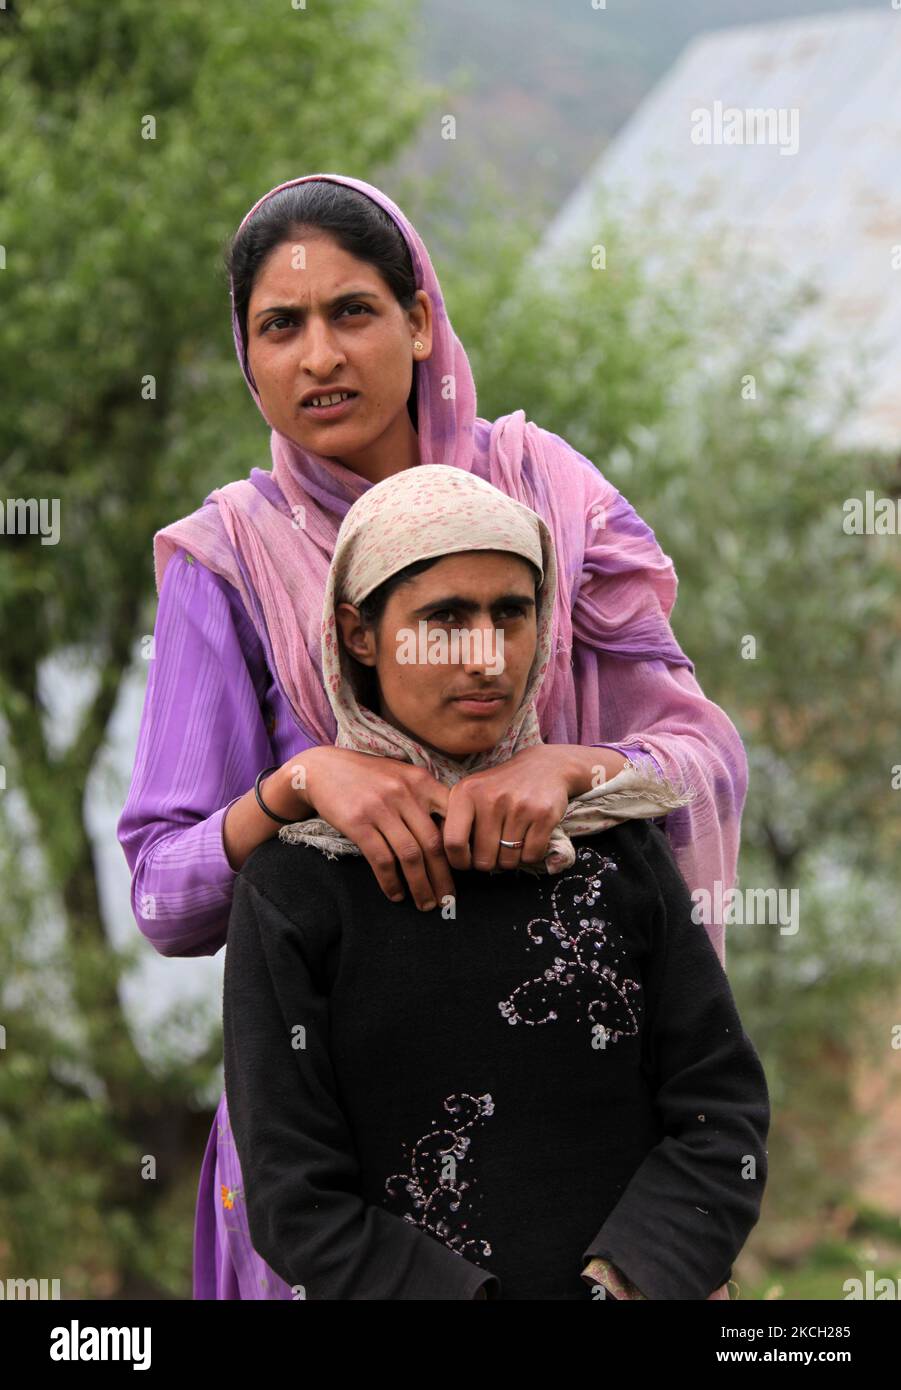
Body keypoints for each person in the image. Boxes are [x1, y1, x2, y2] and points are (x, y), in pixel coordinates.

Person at [116, 173, 750, 1300]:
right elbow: (166, 898)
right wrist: (300, 786)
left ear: (419, 319)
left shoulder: (549, 494)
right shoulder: (229, 564)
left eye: (352, 311)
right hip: (346, 1190)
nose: (319, 357)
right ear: (246, 353)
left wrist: (580, 769)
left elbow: (701, 755)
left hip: (574, 1131)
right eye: (280, 326)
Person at [222, 464, 769, 1300]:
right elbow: (296, 1202)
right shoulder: (297, 887)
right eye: (443, 618)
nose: (486, 657)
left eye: (510, 614)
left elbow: (718, 1115)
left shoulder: (613, 851)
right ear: (358, 634)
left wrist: (621, 1284)